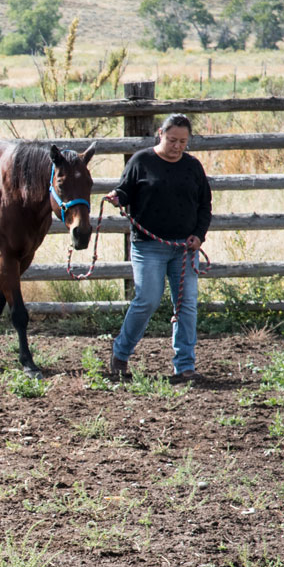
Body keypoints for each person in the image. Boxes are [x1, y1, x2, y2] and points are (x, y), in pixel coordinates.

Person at [105, 113, 211, 384]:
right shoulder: (141, 161)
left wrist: (199, 236)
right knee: (147, 300)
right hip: (148, 246)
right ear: (160, 134)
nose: (177, 146)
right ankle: (121, 354)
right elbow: (126, 190)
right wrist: (118, 197)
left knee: (186, 305)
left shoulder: (193, 167)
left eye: (183, 141)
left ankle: (185, 366)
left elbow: (204, 205)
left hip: (185, 249)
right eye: (172, 139)